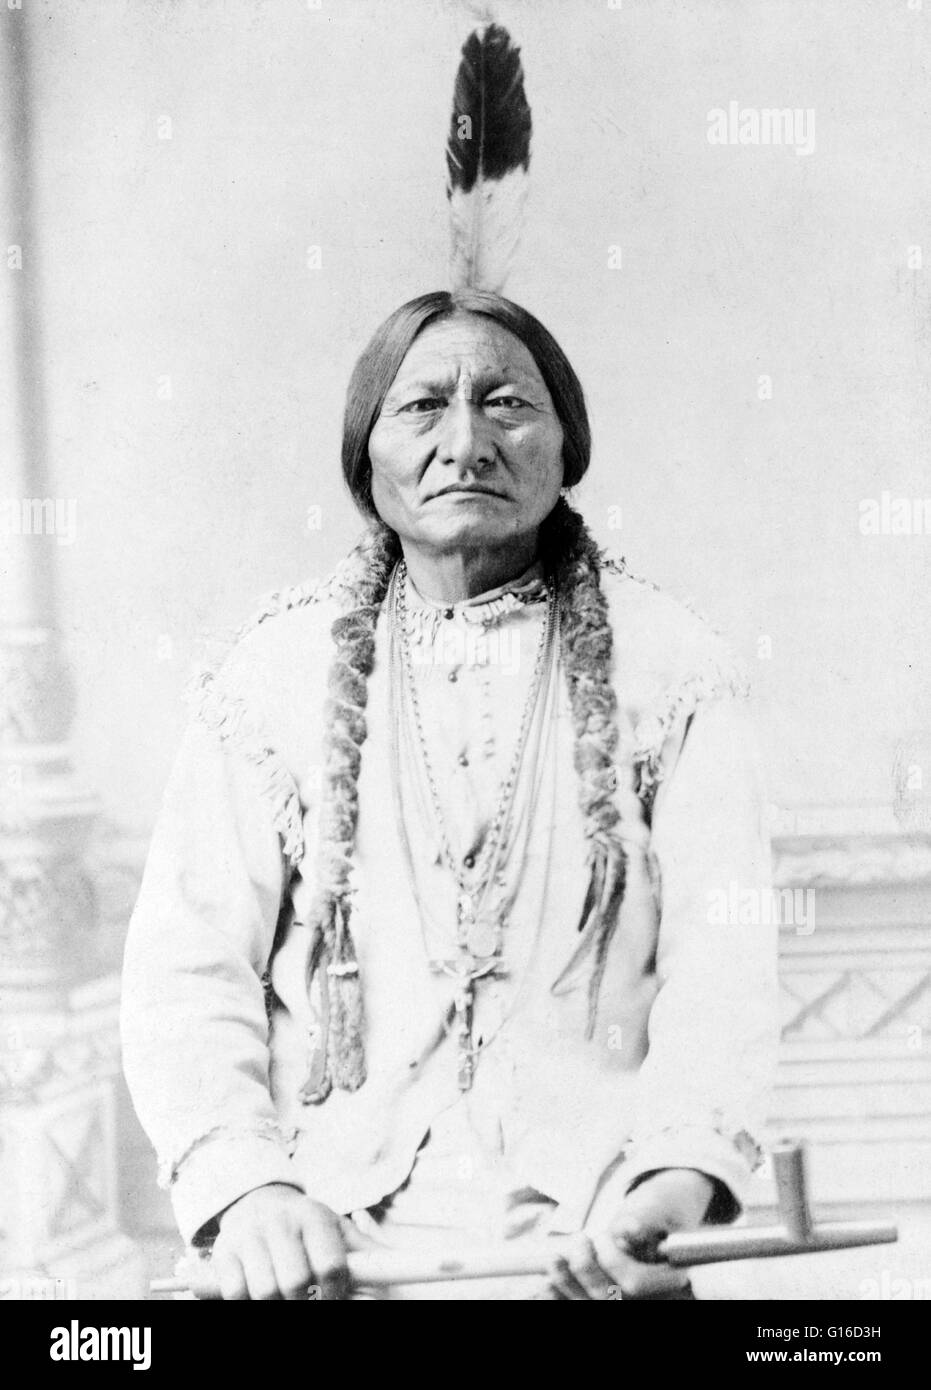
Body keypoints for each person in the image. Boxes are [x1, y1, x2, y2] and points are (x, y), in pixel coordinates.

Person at [121, 288, 779, 1300]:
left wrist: (666, 1189)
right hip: (326, 1240)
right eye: (423, 405)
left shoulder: (675, 667)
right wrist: (249, 1192)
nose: (465, 441)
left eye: (508, 403)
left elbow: (723, 967)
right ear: (365, 459)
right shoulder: (273, 673)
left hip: (595, 1240)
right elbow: (185, 966)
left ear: (567, 448)